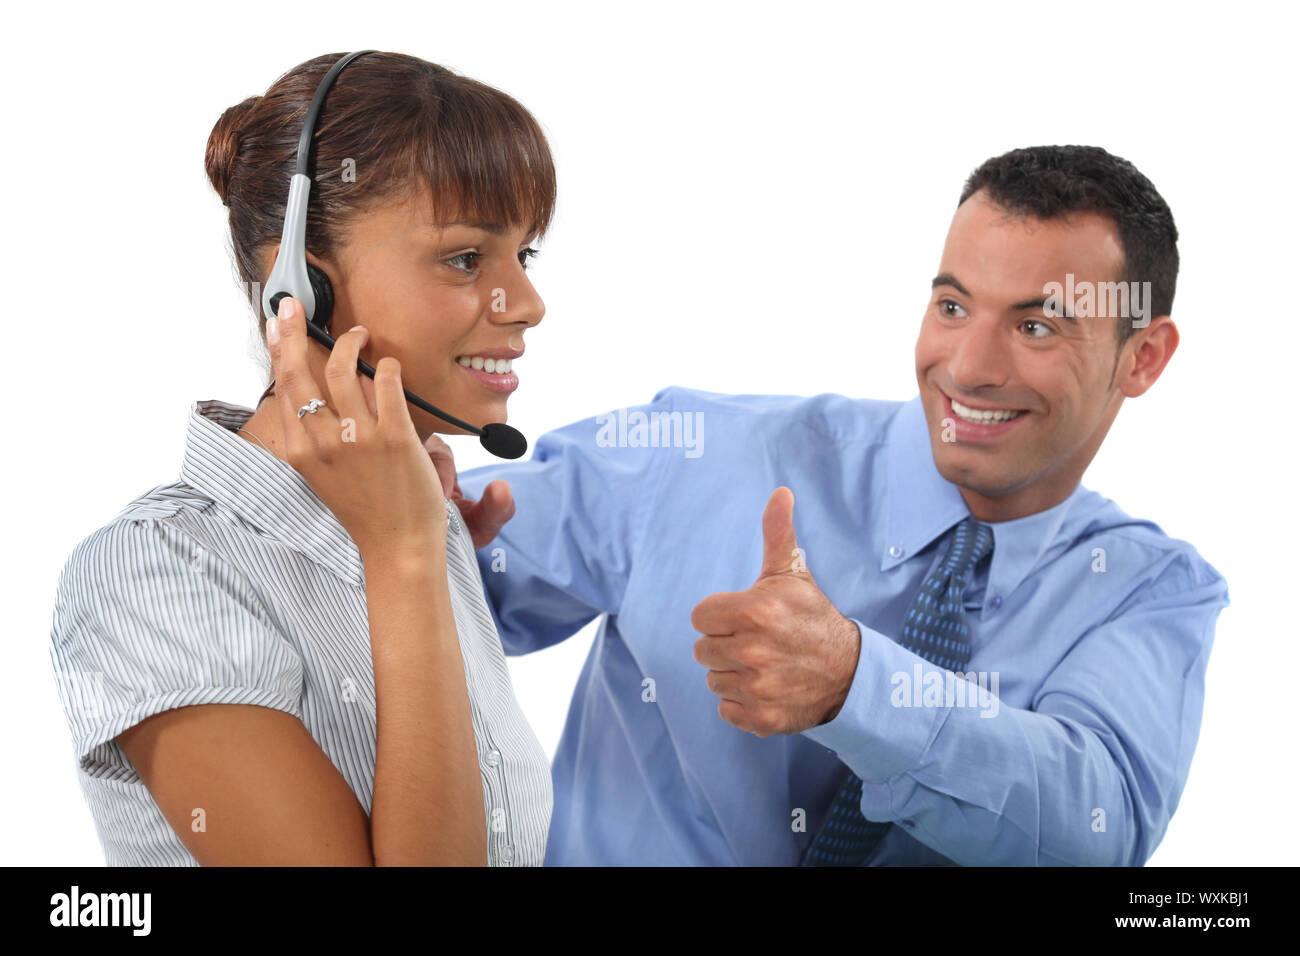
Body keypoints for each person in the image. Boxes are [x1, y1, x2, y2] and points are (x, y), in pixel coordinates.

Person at [448, 145, 1230, 865]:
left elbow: (1096, 828)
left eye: (1035, 326)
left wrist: (858, 686)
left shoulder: (1150, 589)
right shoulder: (694, 454)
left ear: (1144, 357)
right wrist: (420, 530)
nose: (969, 366)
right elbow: (405, 593)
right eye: (953, 308)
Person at [48, 51, 553, 866]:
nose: (526, 303)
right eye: (467, 258)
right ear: (303, 292)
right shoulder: (155, 575)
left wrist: (415, 542)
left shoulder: (415, 514)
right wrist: (405, 558)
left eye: (524, 256)